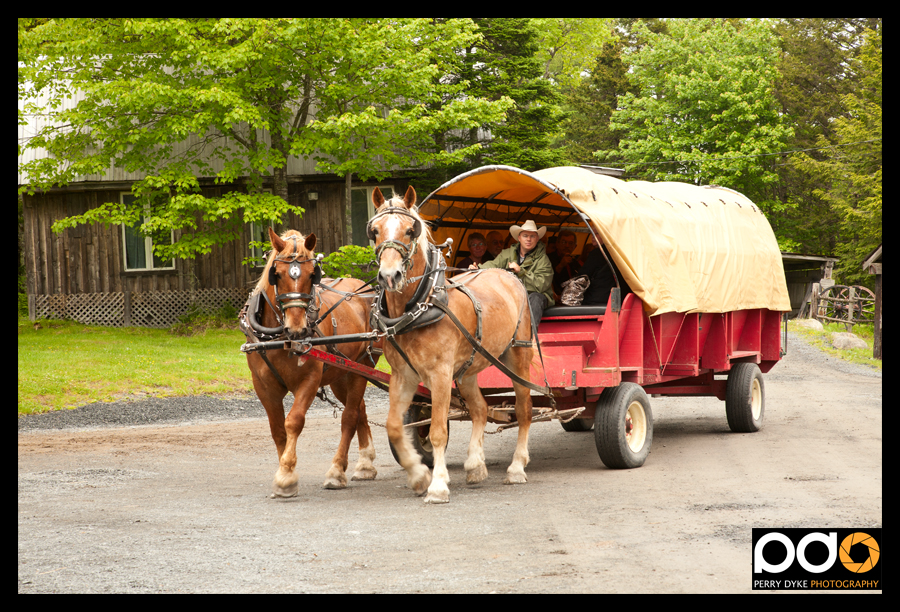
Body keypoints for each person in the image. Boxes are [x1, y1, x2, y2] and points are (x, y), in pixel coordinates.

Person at [470, 220, 554, 323]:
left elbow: (540, 285)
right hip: (512, 294)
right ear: (519, 238)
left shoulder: (543, 259)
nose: (528, 239)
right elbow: (493, 265)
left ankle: (530, 336)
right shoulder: (508, 253)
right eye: (525, 236)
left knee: (535, 298)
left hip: (534, 296)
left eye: (532, 236)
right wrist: (478, 269)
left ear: (537, 239)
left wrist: (521, 271)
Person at [577, 236, 631, 306]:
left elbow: (582, 277)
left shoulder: (596, 254)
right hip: (623, 301)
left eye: (597, 233)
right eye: (593, 234)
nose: (593, 237)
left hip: (598, 301)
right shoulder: (626, 253)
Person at [549, 230, 579, 296]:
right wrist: (561, 265)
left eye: (570, 243)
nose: (567, 246)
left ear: (575, 246)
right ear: (557, 244)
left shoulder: (575, 262)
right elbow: (549, 279)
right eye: (564, 242)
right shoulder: (548, 259)